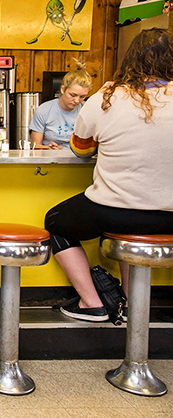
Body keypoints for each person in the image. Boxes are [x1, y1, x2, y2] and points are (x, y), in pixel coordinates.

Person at [45, 28, 173, 322]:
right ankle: (131, 304)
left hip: (115, 209)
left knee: (56, 222)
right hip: (169, 214)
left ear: (130, 59)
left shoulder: (108, 95)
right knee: (137, 231)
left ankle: (92, 303)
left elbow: (80, 147)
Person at [29, 60, 92, 149]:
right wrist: (48, 148)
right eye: (73, 95)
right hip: (50, 159)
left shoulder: (87, 110)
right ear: (63, 90)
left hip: (78, 159)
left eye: (82, 96)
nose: (77, 101)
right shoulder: (44, 110)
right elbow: (35, 146)